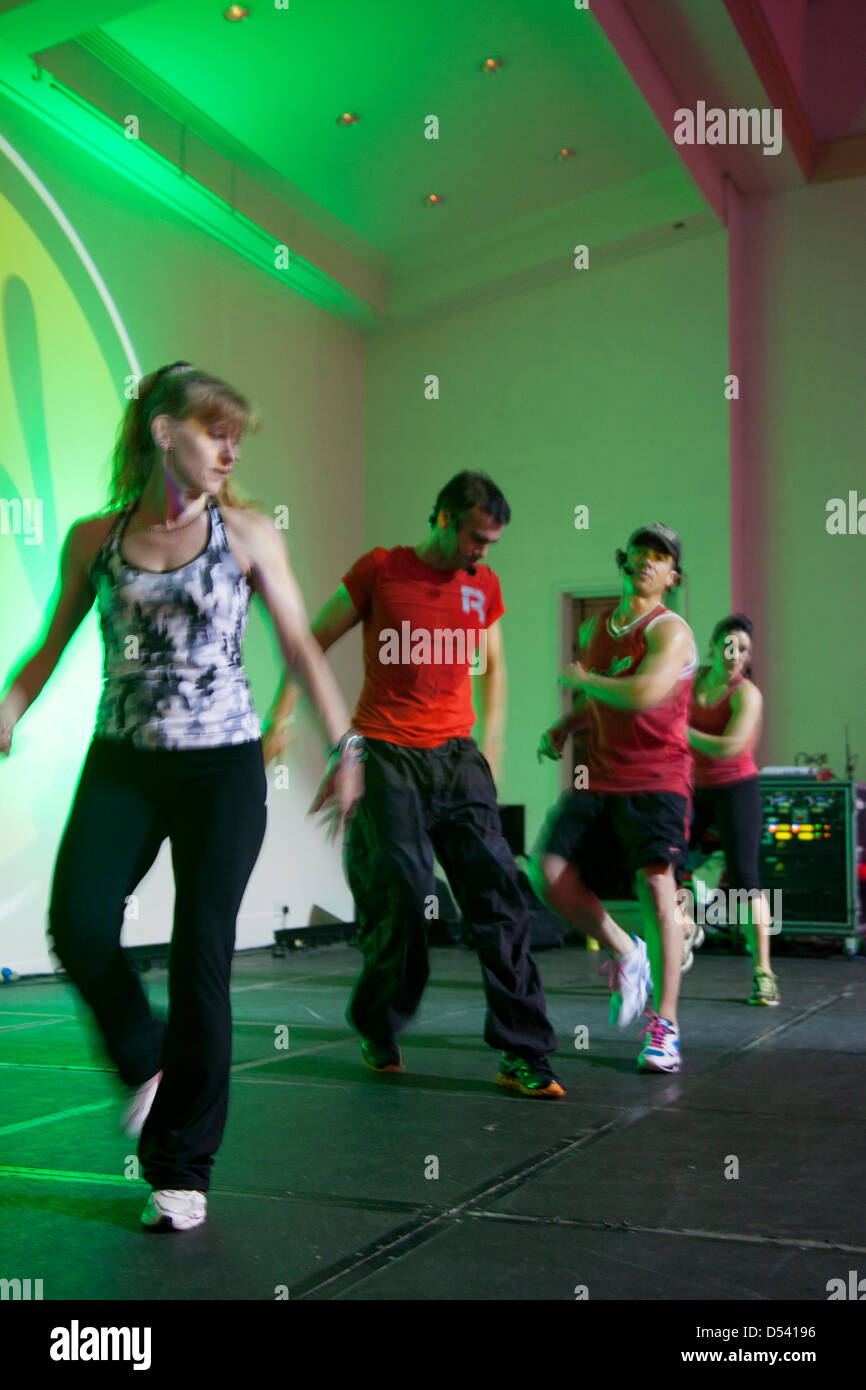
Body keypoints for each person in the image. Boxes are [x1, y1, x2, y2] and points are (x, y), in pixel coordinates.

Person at [0, 362, 363, 1232]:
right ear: (164, 431)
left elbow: (302, 649)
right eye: (215, 432)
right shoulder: (95, 537)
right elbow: (52, 644)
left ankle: (181, 1168)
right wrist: (10, 707)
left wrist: (347, 744)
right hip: (123, 761)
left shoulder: (247, 534)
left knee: (204, 960)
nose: (231, 450)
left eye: (239, 436)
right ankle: (146, 1058)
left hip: (222, 770)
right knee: (80, 926)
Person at [269, 471, 564, 1097]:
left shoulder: (483, 585)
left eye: (491, 543)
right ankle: (378, 1022)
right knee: (402, 893)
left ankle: (523, 1051)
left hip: (458, 759)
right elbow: (311, 639)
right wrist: (282, 714)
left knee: (500, 898)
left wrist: (494, 747)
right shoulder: (381, 570)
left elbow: (496, 668)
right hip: (387, 756)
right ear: (442, 519)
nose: (482, 553)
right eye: (475, 538)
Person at [531, 523, 697, 1073]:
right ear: (624, 560)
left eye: (660, 557)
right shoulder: (597, 629)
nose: (647, 561)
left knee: (656, 888)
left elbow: (646, 693)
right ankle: (628, 953)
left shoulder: (670, 631)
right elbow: (600, 696)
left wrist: (585, 681)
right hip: (600, 778)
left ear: (671, 577)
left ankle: (665, 1025)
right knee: (549, 873)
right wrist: (566, 724)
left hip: (658, 781)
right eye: (640, 551)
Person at [685, 614, 780, 1004]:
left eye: (742, 650)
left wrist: (680, 732)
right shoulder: (690, 682)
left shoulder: (746, 694)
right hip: (694, 785)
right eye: (728, 645)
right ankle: (688, 927)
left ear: (747, 657)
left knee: (745, 879)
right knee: (665, 861)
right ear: (713, 645)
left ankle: (764, 973)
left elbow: (729, 747)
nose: (734, 654)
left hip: (736, 787)